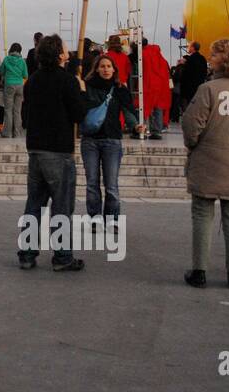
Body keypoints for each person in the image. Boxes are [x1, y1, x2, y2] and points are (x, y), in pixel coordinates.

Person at [181, 39, 229, 289]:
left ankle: (199, 269)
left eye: (214, 55)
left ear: (222, 59)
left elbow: (192, 124)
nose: (210, 59)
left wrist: (192, 144)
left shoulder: (209, 89)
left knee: (202, 214)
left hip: (207, 159)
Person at [16, 33, 87, 272]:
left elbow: (26, 114)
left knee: (33, 204)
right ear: (59, 54)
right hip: (58, 149)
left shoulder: (34, 80)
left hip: (35, 147)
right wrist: (82, 91)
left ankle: (27, 254)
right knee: (62, 204)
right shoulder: (67, 81)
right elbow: (79, 114)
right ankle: (62, 256)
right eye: (65, 50)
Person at [81, 53, 139, 222]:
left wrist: (135, 125)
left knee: (111, 184)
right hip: (90, 139)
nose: (106, 69)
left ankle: (112, 219)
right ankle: (95, 217)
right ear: (96, 69)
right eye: (102, 66)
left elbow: (128, 112)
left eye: (109, 66)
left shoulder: (120, 89)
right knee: (92, 182)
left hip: (112, 139)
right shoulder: (87, 86)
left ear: (114, 69)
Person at [140, 39, 171, 138]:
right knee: (158, 108)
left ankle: (142, 130)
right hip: (160, 86)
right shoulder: (161, 58)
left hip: (147, 84)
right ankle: (156, 131)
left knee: (144, 107)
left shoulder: (142, 54)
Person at [1, 43, 28, 138]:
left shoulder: (6, 59)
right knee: (17, 110)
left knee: (8, 110)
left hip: (9, 85)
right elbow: (25, 75)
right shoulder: (22, 61)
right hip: (20, 86)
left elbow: (1, 72)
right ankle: (17, 133)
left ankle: (7, 133)